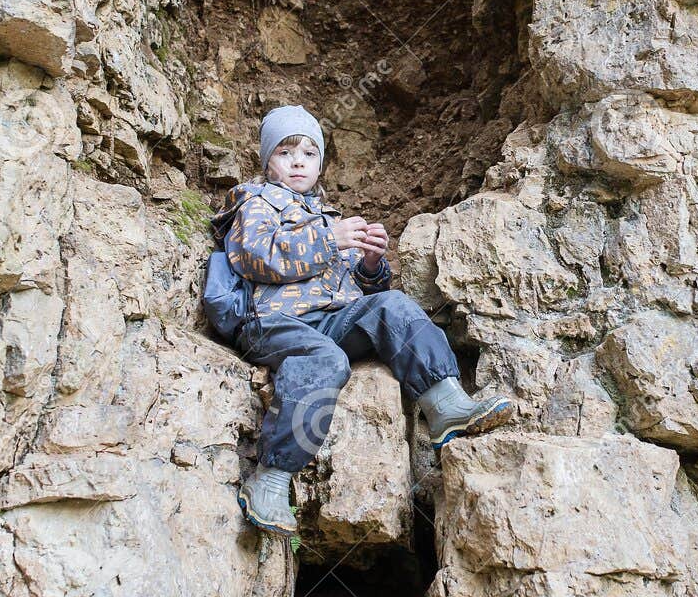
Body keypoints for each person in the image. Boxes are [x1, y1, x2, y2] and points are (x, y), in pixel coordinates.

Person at [210, 104, 515, 536]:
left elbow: (363, 294)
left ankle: (446, 405)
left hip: (330, 317)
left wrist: (371, 263)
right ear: (267, 160)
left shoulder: (328, 216)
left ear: (320, 164)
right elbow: (256, 258)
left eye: (309, 153)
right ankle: (272, 479)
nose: (298, 161)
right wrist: (325, 239)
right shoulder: (254, 201)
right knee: (325, 360)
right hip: (275, 321)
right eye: (285, 151)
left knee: (393, 305)